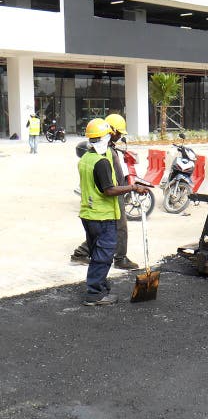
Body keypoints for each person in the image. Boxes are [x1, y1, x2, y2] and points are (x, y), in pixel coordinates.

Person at [77, 119, 149, 306]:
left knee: (97, 254)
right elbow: (108, 190)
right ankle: (94, 294)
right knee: (104, 255)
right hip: (102, 216)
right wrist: (133, 187)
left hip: (88, 214)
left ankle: (100, 286)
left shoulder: (86, 158)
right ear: (104, 138)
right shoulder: (101, 162)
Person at [71, 113, 139, 270]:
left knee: (100, 232)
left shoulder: (98, 150)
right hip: (109, 195)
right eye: (120, 132)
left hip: (99, 198)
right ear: (111, 131)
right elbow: (109, 184)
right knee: (119, 227)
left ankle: (81, 253)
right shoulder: (104, 152)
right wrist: (131, 187)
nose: (121, 135)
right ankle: (120, 258)